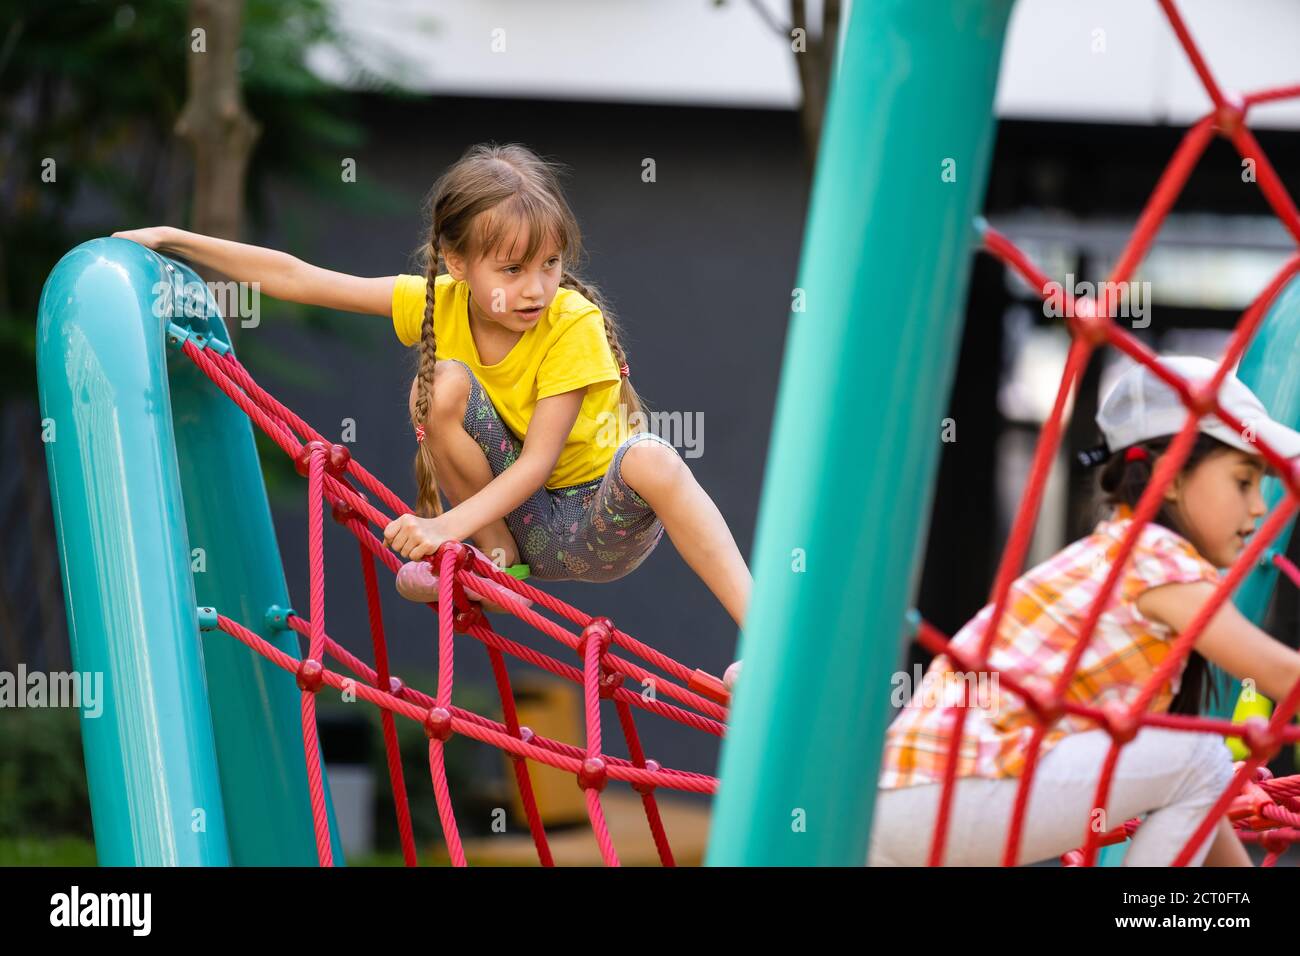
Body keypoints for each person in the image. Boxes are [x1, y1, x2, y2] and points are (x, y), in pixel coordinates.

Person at [113, 143, 752, 645]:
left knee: (654, 457)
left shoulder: (572, 325)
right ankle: (494, 563)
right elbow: (298, 277)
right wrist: (174, 239)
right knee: (440, 381)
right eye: (512, 269)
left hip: (595, 521)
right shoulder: (435, 305)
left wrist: (442, 526)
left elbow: (536, 464)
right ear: (455, 262)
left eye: (549, 264)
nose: (535, 288)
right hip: (517, 529)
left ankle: (764, 637)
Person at [868, 355, 1300, 866]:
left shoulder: (1113, 557)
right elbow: (1279, 673)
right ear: (1171, 476)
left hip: (908, 809)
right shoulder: (1156, 560)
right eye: (1244, 482)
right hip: (952, 792)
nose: (1259, 506)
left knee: (1195, 764)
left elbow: (1198, 802)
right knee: (1201, 753)